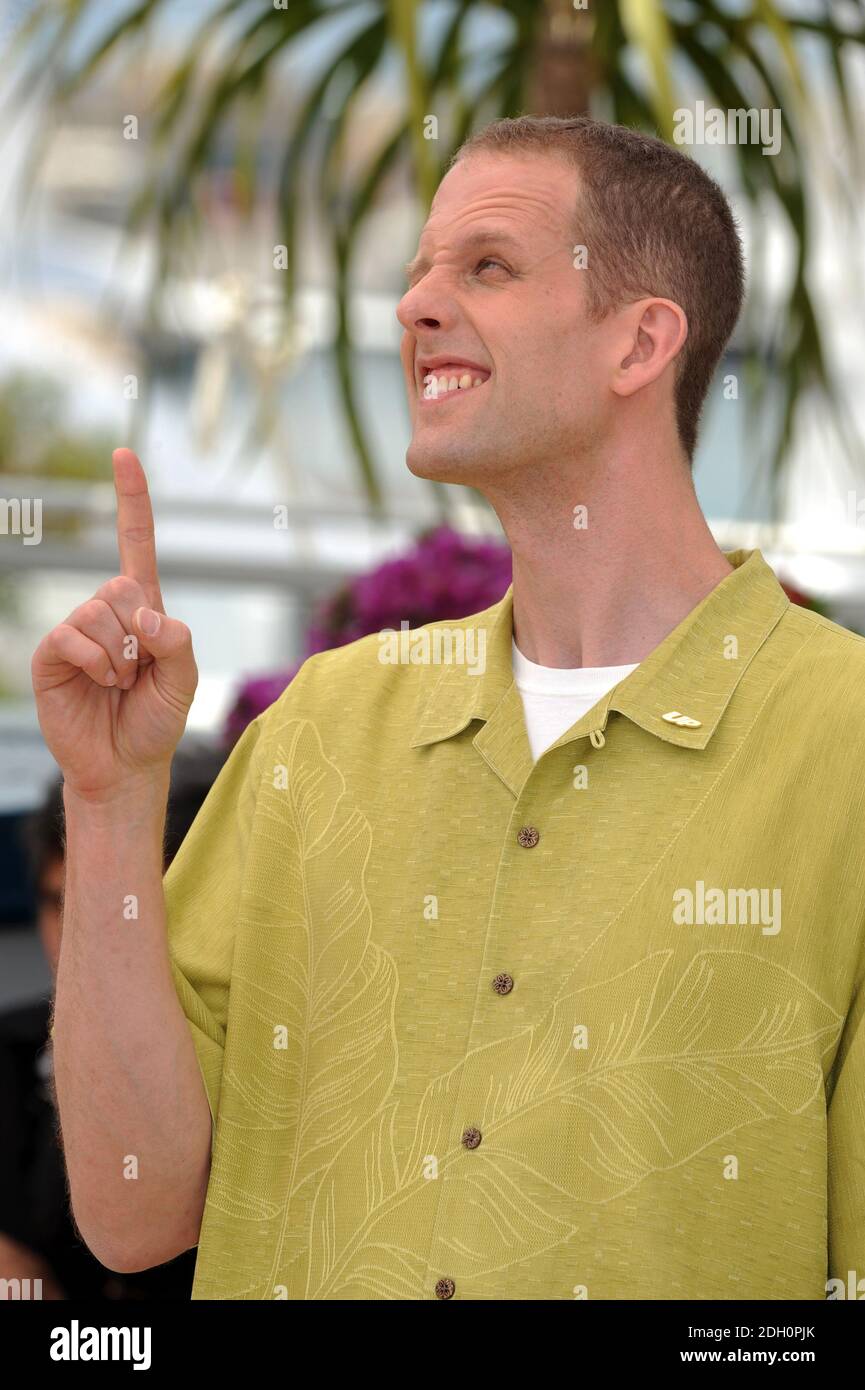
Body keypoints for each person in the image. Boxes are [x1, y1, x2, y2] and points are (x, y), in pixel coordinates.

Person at [30, 115, 865, 1301]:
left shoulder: (845, 745)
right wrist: (111, 802)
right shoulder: (321, 725)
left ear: (640, 343)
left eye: (486, 266)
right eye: (418, 269)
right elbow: (132, 1208)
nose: (415, 306)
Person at [0, 744, 226, 1299]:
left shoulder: (281, 1067)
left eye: (131, 907)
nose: (90, 941)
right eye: (65, 905)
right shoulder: (5, 1051)